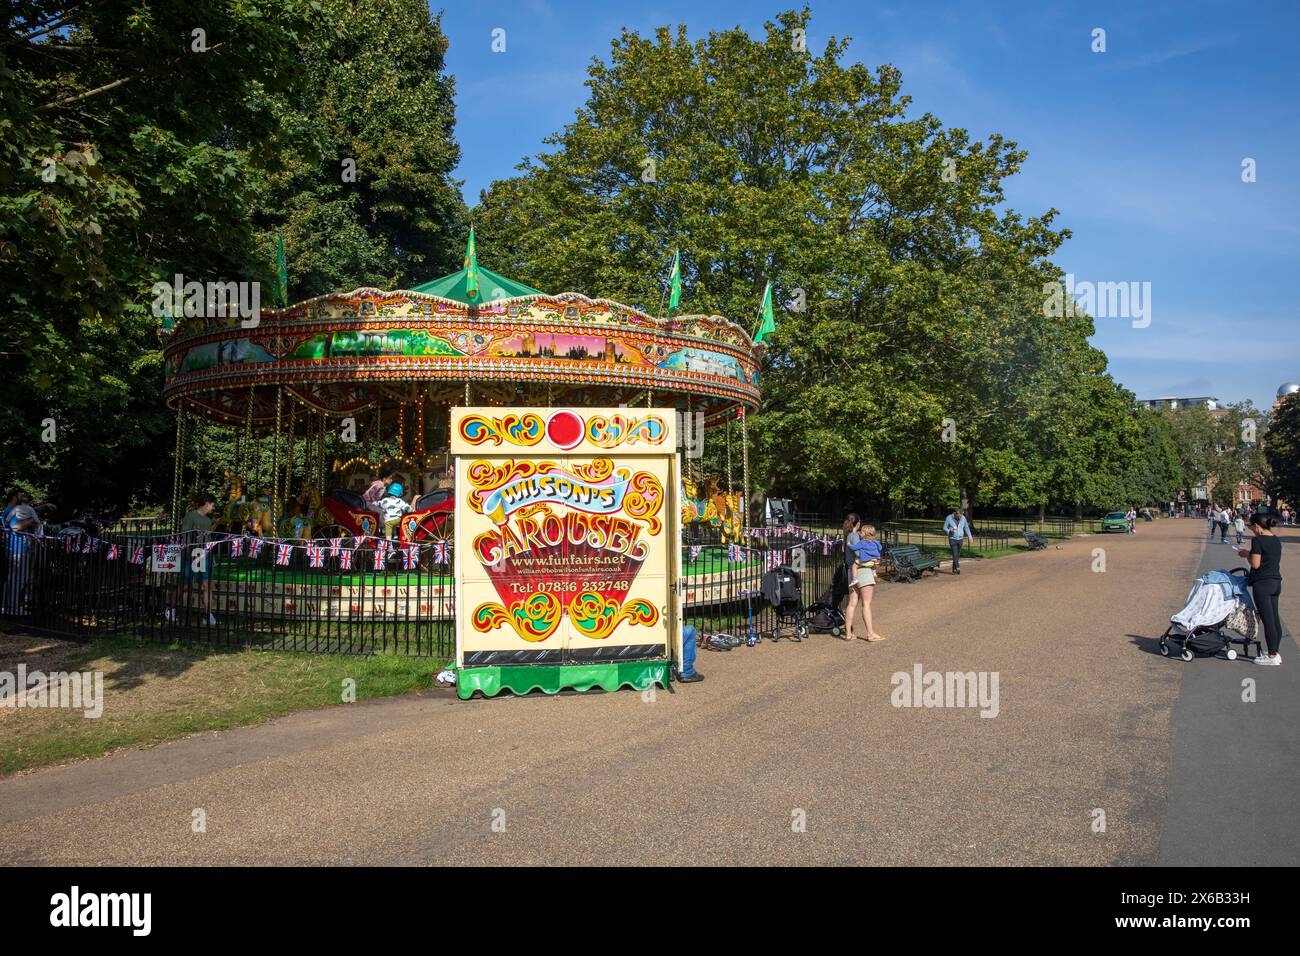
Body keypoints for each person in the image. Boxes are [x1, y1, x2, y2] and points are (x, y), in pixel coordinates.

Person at [1236, 514, 1284, 666]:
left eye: (1251, 527)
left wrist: (1246, 554)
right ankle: (1275, 652)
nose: (1251, 530)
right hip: (1276, 581)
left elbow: (1255, 564)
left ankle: (1271, 656)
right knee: (1274, 618)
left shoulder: (1258, 540)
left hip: (1262, 583)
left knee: (1268, 620)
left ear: (1257, 526)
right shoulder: (1276, 540)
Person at [171, 492, 217, 625]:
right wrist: (190, 553)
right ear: (207, 503)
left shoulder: (208, 521)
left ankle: (208, 615)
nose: (213, 507)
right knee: (184, 585)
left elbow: (208, 540)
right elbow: (184, 536)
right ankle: (172, 609)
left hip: (205, 554)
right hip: (192, 554)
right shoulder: (190, 516)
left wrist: (210, 555)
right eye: (212, 504)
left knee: (206, 585)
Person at [846, 523, 886, 642]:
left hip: (854, 573)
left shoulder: (854, 539)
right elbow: (876, 550)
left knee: (852, 603)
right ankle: (870, 633)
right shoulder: (869, 542)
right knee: (866, 604)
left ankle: (848, 633)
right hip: (865, 572)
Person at [943, 508, 973, 574]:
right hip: (952, 538)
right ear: (956, 513)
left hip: (960, 539)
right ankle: (958, 567)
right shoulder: (949, 518)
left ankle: (954, 570)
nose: (960, 517)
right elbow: (944, 527)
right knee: (955, 554)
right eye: (959, 516)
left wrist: (970, 537)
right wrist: (949, 530)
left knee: (957, 555)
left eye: (961, 516)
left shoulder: (963, 518)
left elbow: (966, 528)